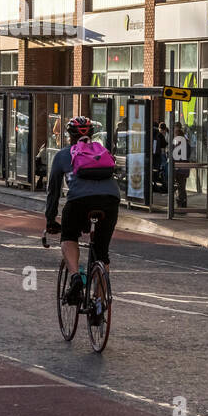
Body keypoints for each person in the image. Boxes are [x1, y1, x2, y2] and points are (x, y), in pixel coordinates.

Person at [45, 116, 121, 308]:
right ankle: (99, 303)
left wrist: (50, 219)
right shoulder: (103, 151)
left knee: (69, 236)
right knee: (102, 253)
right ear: (92, 135)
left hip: (79, 201)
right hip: (110, 200)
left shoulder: (63, 155)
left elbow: (53, 191)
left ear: (69, 136)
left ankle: (76, 277)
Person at [170, 123, 189, 208]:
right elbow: (188, 154)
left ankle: (181, 201)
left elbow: (173, 155)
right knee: (182, 185)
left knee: (180, 185)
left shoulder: (177, 144)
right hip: (184, 168)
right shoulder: (186, 143)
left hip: (178, 168)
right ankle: (182, 201)